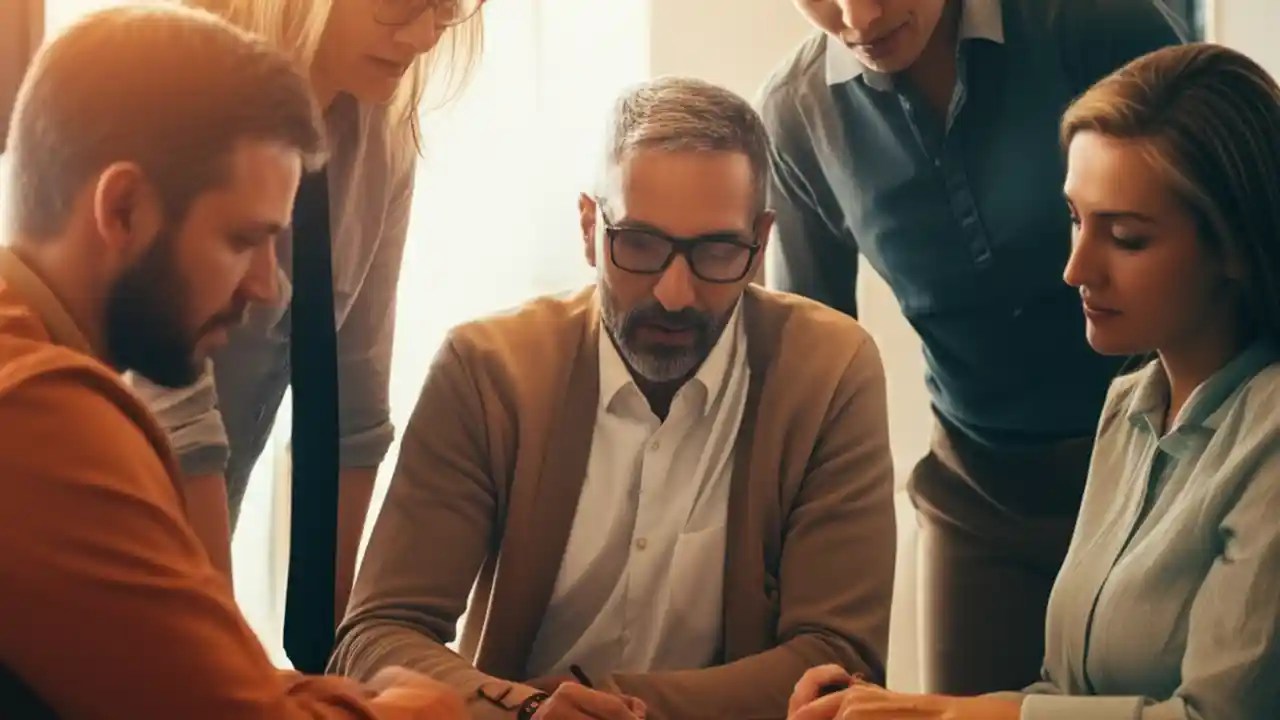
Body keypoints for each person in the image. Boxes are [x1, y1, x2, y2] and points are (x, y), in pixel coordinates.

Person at [327, 76, 898, 720]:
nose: (675, 293)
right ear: (588, 228)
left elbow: (837, 660)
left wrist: (615, 710)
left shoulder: (828, 371)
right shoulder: (488, 371)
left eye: (716, 251)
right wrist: (529, 712)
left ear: (761, 243)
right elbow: (377, 636)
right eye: (641, 245)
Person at [787, 42, 1280, 720]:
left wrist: (953, 716)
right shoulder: (1131, 404)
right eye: (1076, 219)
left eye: (1127, 237)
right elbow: (1068, 695)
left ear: (1234, 244)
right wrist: (898, 710)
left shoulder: (1270, 442)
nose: (1076, 269)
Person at [0, 6, 467, 719]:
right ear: (121, 209)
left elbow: (179, 672)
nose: (268, 286)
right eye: (241, 241)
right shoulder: (40, 413)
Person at [758, 0, 1185, 693]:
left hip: (1162, 471)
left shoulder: (1099, 21)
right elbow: (811, 372)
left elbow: (1236, 250)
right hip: (979, 497)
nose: (858, 18)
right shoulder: (796, 113)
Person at [130, 0, 486, 669]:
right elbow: (178, 417)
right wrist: (225, 672)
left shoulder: (380, 136)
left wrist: (338, 662)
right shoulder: (179, 93)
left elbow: (352, 414)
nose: (426, 34)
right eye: (403, 3)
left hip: (194, 566)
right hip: (99, 555)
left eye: (449, 5)